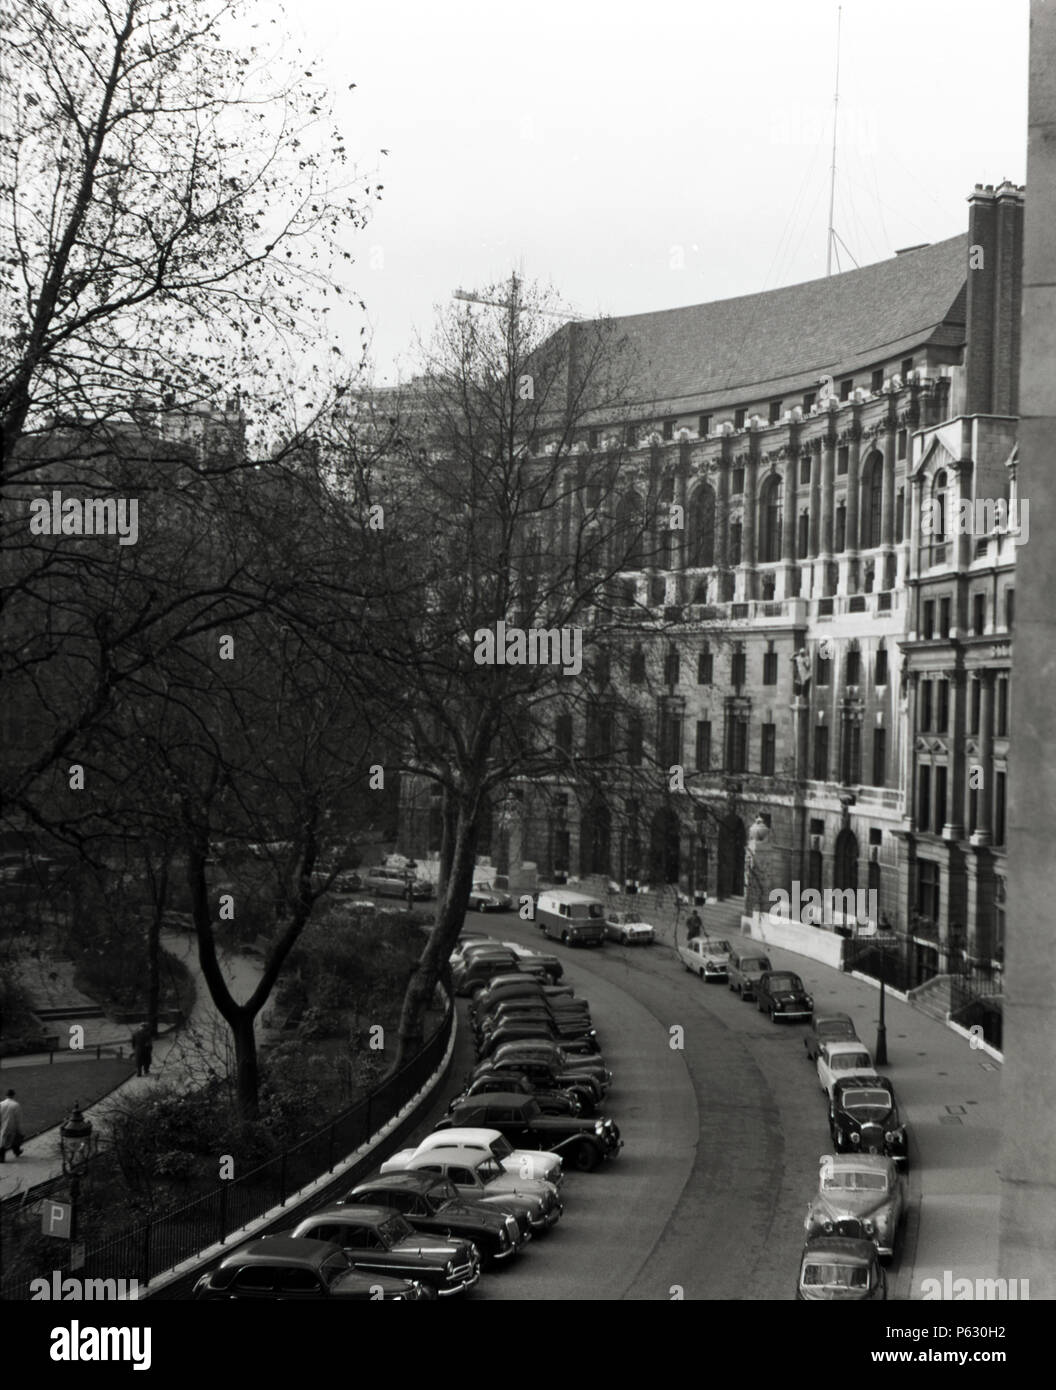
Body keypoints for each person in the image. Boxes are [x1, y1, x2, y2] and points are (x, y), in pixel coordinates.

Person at [0, 1088, 24, 1161]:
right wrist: (19, 1129)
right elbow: (18, 1118)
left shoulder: (1, 1104)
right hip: (12, 1125)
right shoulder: (16, 1105)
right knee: (14, 1138)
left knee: (2, 1140)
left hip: (3, 1124)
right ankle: (16, 1151)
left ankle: (2, 1157)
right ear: (13, 1095)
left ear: (6, 1095)